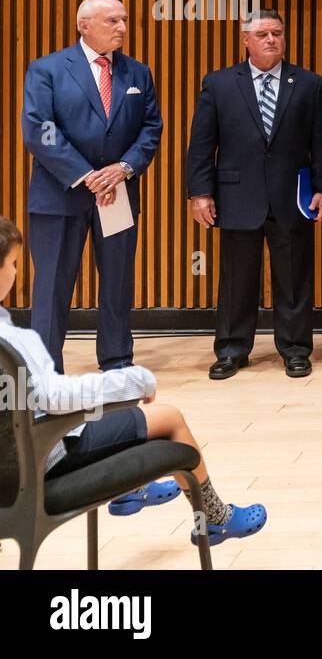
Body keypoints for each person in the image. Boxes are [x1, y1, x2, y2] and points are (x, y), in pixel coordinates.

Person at [0, 215, 266, 546]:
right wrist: (134, 380)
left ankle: (132, 490)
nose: (16, 272)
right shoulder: (11, 341)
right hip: (41, 460)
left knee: (112, 412)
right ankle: (216, 519)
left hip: (11, 466)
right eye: (12, 263)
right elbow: (55, 397)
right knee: (167, 418)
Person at [186, 9, 322, 380]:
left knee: (294, 277)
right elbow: (202, 144)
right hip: (237, 197)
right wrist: (200, 193)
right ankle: (232, 350)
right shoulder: (219, 84)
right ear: (246, 40)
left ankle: (296, 349)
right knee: (237, 279)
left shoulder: (308, 83)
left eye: (277, 33)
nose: (271, 39)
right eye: (263, 34)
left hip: (292, 196)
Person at [20, 0, 163, 372]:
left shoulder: (137, 73)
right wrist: (87, 176)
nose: (121, 28)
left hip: (117, 191)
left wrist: (124, 168)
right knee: (52, 286)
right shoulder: (47, 69)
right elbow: (39, 131)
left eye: (124, 20)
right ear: (84, 26)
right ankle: (45, 369)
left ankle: (117, 360)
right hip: (59, 195)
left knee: (117, 281)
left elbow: (151, 128)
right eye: (111, 21)